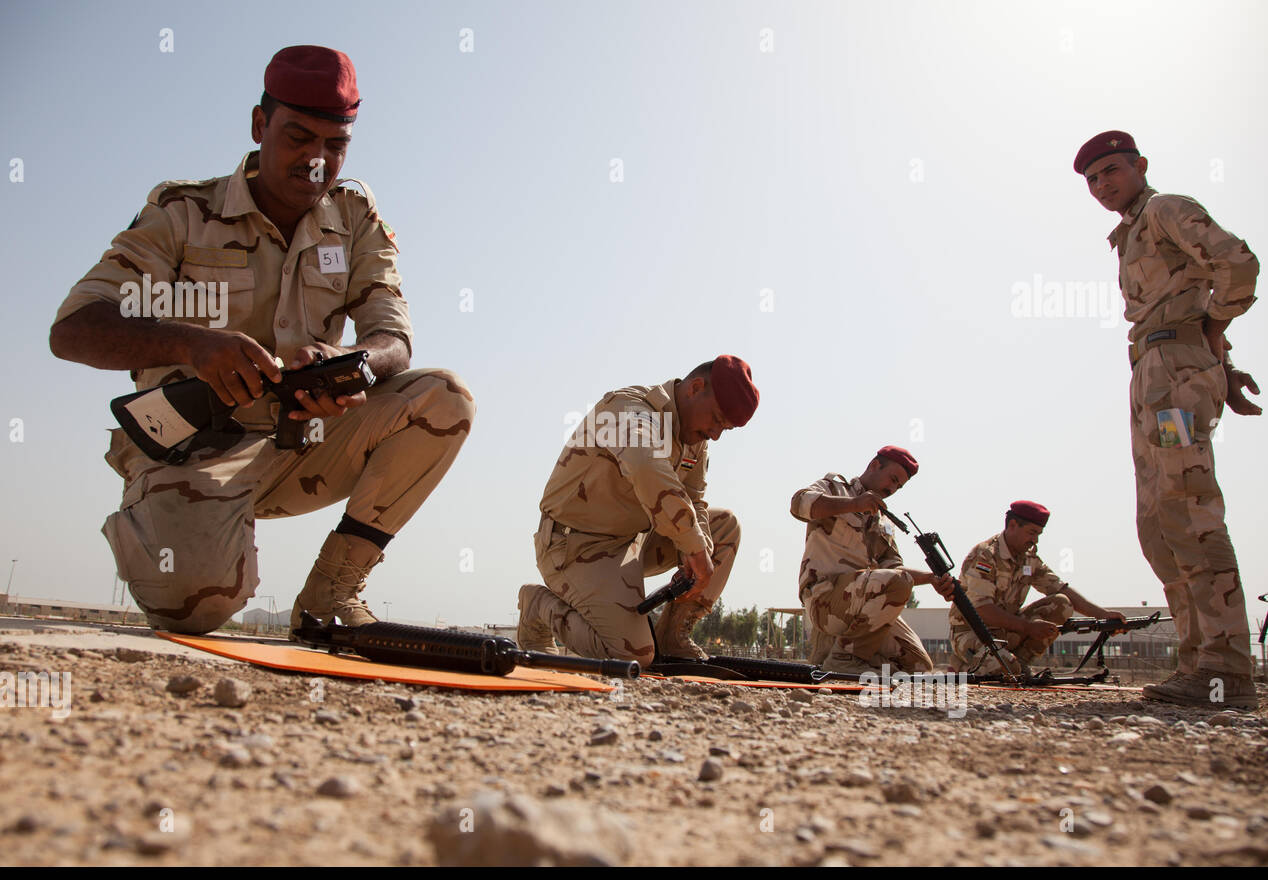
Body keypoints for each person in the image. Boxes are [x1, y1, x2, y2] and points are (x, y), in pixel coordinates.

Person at [49, 46, 475, 635]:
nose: (317, 160)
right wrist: (192, 346)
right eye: (300, 137)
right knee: (194, 607)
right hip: (194, 447)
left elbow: (393, 338)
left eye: (335, 145)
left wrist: (349, 365)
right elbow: (72, 330)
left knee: (444, 398)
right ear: (259, 125)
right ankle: (170, 513)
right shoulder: (182, 212)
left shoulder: (353, 215)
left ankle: (330, 595)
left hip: (301, 441)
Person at [1075, 130, 1260, 709]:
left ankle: (1227, 671)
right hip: (1154, 376)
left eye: (1111, 170)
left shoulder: (1164, 210)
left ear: (1139, 167)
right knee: (1158, 525)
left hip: (1173, 375)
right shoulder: (1130, 235)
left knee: (1189, 507)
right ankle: (1198, 665)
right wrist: (1219, 367)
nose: (1103, 184)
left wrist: (1214, 338)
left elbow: (1238, 264)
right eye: (1093, 179)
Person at [516, 356, 759, 666]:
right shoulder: (629, 410)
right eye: (716, 419)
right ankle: (538, 607)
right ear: (695, 388)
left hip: (633, 542)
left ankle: (673, 636)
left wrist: (696, 553)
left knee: (725, 526)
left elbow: (695, 499)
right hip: (575, 544)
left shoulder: (694, 439)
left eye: (724, 428)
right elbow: (647, 468)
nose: (715, 434)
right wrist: (694, 548)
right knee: (631, 656)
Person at [790, 446, 953, 674]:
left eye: (899, 486)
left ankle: (839, 652)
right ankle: (844, 659)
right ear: (875, 465)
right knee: (899, 581)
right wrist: (854, 504)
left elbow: (894, 570)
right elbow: (798, 504)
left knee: (919, 666)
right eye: (893, 479)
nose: (892, 489)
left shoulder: (882, 521)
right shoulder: (835, 488)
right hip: (825, 600)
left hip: (861, 605)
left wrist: (931, 578)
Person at [949, 501, 1124, 675]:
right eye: (1031, 533)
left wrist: (1102, 615)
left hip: (1007, 631)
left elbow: (1060, 588)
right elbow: (982, 609)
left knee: (1062, 604)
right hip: (973, 632)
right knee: (1003, 670)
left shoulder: (1029, 559)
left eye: (1039, 534)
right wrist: (1028, 627)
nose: (1035, 540)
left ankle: (1020, 663)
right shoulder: (985, 555)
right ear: (1012, 525)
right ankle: (964, 666)